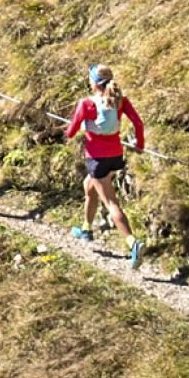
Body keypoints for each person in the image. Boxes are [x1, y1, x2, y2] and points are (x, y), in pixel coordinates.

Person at [63, 64, 147, 268]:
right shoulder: (119, 101)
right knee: (89, 187)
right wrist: (140, 144)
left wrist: (75, 128)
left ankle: (132, 242)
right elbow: (138, 123)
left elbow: (71, 132)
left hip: (97, 159)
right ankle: (86, 228)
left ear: (93, 82)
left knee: (110, 202)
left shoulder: (87, 103)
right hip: (115, 155)